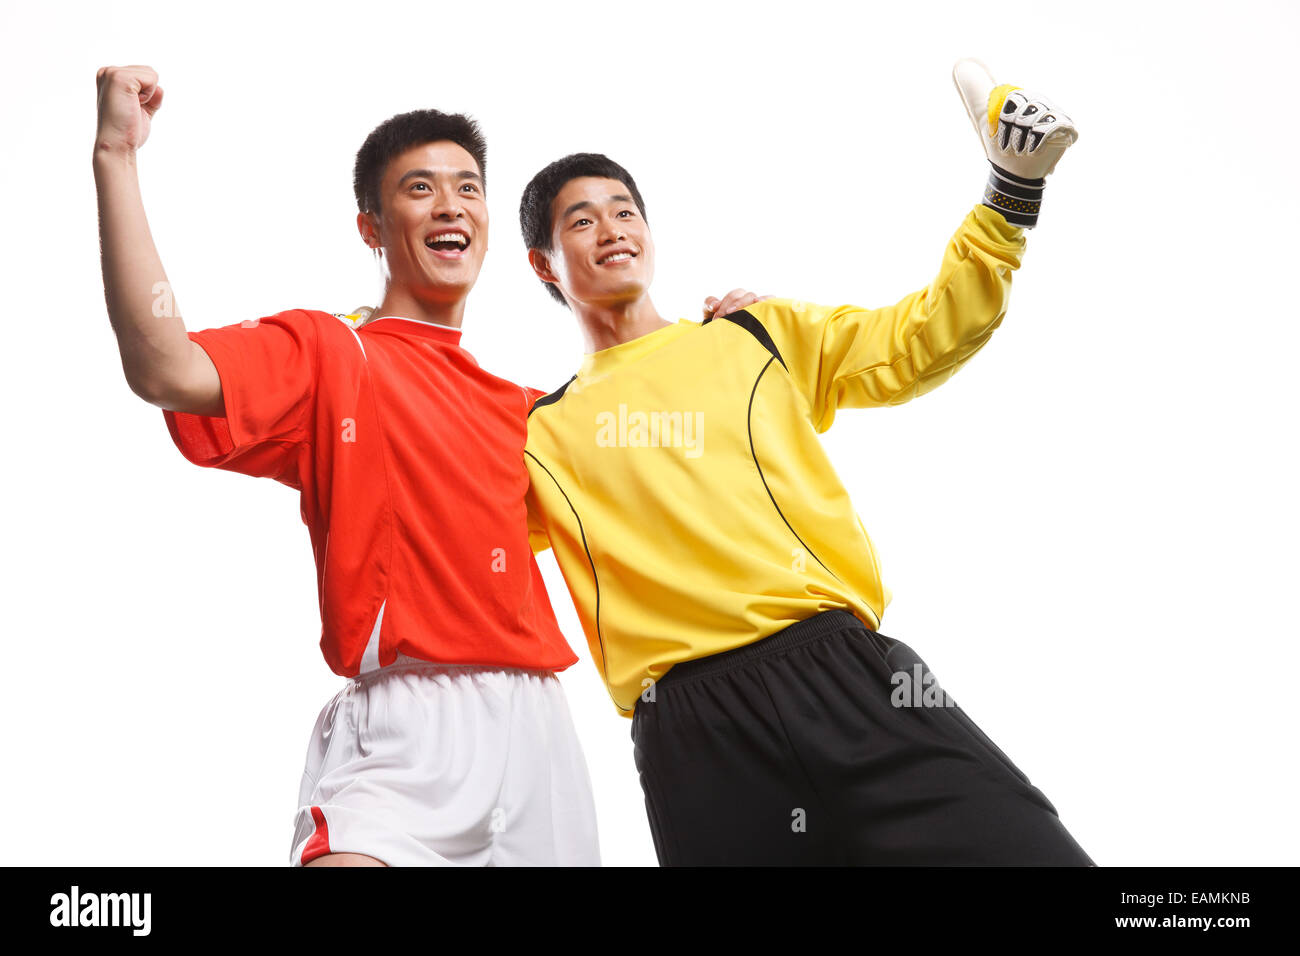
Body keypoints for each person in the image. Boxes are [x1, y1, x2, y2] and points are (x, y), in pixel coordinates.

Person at [517, 60, 1094, 865]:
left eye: (625, 211)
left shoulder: (755, 335)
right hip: (692, 729)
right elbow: (448, 532)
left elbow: (919, 340)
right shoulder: (540, 431)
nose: (612, 228)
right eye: (581, 221)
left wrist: (1009, 202)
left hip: (845, 672)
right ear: (545, 263)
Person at [93, 64, 600, 866]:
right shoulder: (331, 354)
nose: (449, 206)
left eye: (467, 189)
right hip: (407, 737)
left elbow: (679, 458)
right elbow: (163, 365)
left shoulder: (532, 410)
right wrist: (116, 158)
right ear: (370, 226)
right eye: (420, 189)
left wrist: (725, 334)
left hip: (539, 738)